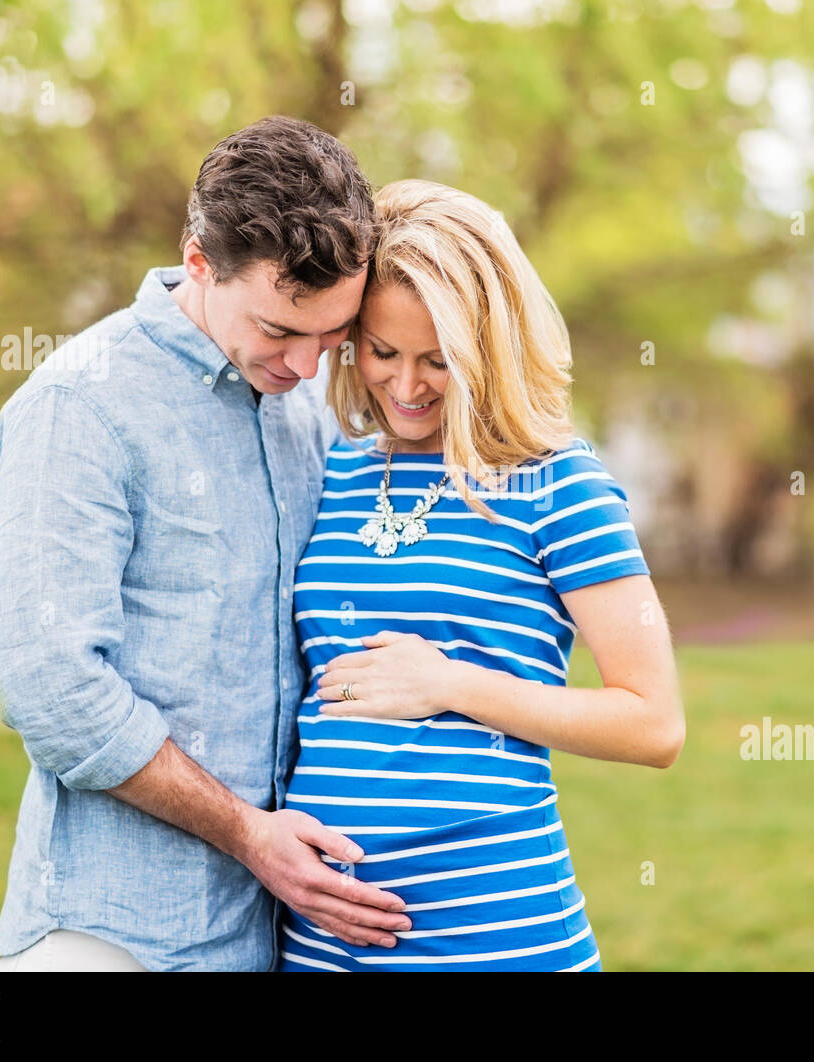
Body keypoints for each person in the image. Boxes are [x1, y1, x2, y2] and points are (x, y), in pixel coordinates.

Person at [0, 116, 413, 971]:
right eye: (280, 331)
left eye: (332, 337)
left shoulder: (300, 412)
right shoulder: (80, 405)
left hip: (260, 937)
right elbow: (52, 688)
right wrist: (248, 835)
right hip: (105, 937)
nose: (304, 364)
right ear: (200, 262)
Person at [279, 179, 685, 971]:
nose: (405, 387)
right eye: (383, 353)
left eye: (439, 360)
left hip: (490, 937)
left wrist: (452, 685)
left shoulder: (558, 484)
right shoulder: (333, 471)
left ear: (487, 346)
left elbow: (654, 724)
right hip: (323, 938)